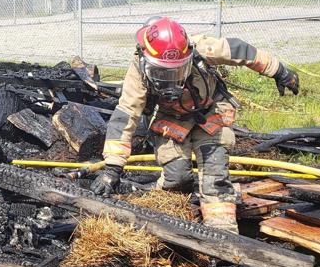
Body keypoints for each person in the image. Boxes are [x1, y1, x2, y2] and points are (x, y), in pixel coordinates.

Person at [93, 17, 299, 233]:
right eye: (162, 73)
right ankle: (166, 208)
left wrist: (279, 71)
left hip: (208, 112)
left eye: (176, 72)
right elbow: (126, 114)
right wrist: (112, 169)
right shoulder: (138, 66)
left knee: (215, 174)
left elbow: (241, 51)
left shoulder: (203, 48)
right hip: (171, 117)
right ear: (147, 61)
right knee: (177, 177)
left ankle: (223, 236)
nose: (170, 81)